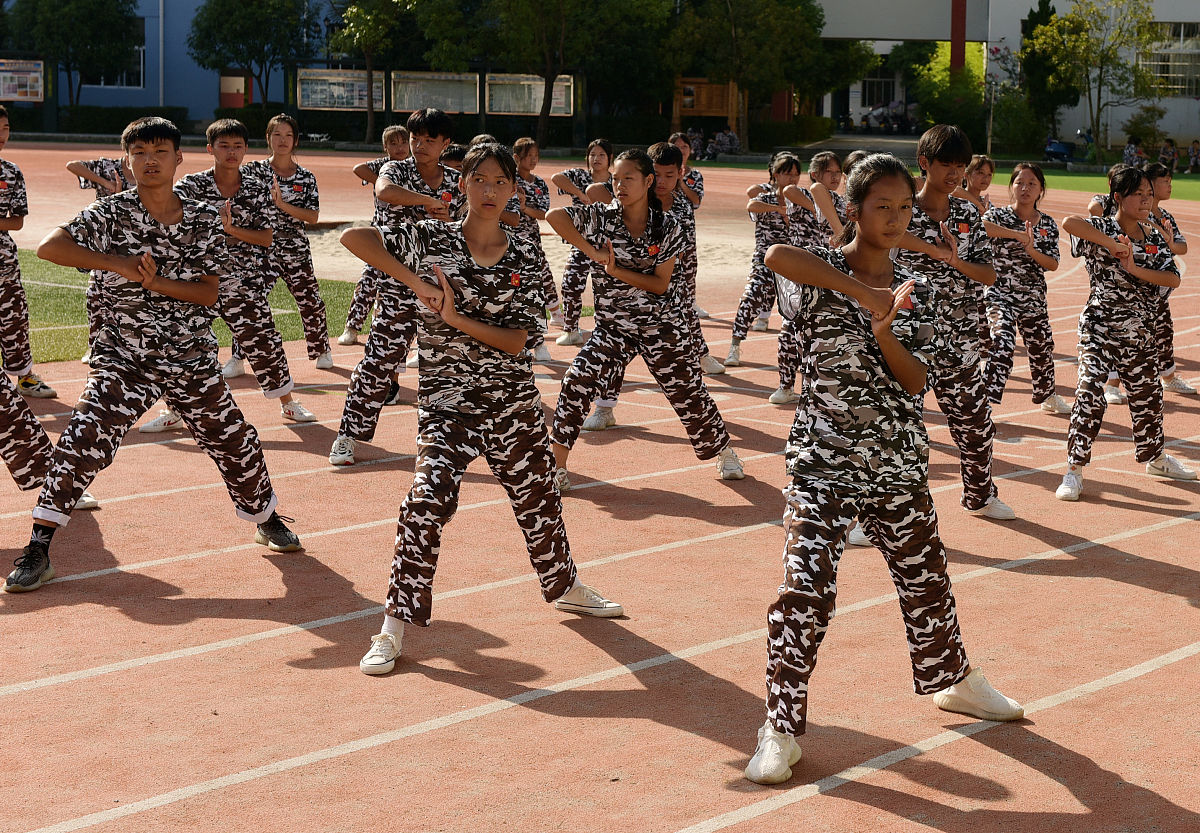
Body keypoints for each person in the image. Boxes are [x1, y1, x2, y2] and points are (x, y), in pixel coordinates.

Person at [746, 153, 1023, 785]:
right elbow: (775, 258)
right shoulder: (816, 276)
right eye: (882, 207)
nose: (897, 218)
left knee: (926, 580)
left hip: (895, 463)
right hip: (821, 462)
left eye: (905, 208)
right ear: (855, 209)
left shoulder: (914, 289)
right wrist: (860, 291)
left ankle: (954, 682)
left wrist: (885, 327)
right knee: (804, 591)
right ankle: (781, 727)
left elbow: (918, 378)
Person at [343, 143, 623, 675]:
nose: (489, 191)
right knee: (425, 504)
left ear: (514, 189)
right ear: (462, 184)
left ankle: (564, 586)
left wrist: (454, 316)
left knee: (539, 502)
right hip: (448, 406)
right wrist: (419, 285)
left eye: (500, 181)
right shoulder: (429, 237)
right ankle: (393, 625)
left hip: (512, 405)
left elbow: (518, 339)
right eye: (479, 180)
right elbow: (354, 238)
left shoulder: (525, 253)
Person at [6, 117, 300, 593]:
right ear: (127, 160)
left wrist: (157, 282)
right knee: (83, 437)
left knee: (233, 440)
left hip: (189, 357)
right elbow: (48, 246)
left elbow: (208, 294)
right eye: (139, 152)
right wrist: (116, 263)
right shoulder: (112, 213)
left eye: (159, 152)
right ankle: (39, 547)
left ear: (178, 158)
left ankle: (266, 518)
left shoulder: (203, 216)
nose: (149, 161)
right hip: (125, 355)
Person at [545, 149, 745, 490]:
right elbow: (554, 216)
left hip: (660, 326)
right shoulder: (602, 217)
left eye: (628, 178)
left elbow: (659, 283)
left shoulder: (667, 226)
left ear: (647, 181)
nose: (619, 185)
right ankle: (557, 467)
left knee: (689, 392)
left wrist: (616, 270)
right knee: (577, 381)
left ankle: (725, 451)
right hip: (614, 328)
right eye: (615, 179)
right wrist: (591, 251)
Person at [139, 118, 316, 430]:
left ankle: (288, 404)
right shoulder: (191, 186)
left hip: (242, 280)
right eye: (224, 145)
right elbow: (173, 220)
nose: (231, 152)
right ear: (210, 149)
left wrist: (231, 229)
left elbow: (266, 237)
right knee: (177, 341)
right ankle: (175, 408)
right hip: (196, 280)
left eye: (237, 146)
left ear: (246, 150)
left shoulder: (257, 189)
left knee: (264, 342)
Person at [328, 108, 465, 467]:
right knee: (378, 362)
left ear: (445, 144)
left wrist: (450, 216)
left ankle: (442, 443)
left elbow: (468, 224)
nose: (419, 145)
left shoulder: (457, 182)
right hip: (400, 284)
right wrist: (428, 201)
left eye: (428, 140)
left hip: (440, 289)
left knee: (444, 367)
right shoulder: (396, 168)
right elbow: (385, 191)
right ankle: (348, 435)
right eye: (415, 138)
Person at [894, 124, 1014, 521]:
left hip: (958, 339)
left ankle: (980, 496)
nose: (954, 174)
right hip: (906, 337)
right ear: (924, 163)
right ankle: (877, 513)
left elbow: (989, 274)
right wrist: (935, 250)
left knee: (976, 424)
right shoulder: (900, 206)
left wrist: (956, 259)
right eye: (946, 164)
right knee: (897, 430)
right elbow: (881, 238)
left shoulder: (966, 212)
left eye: (960, 166)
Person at [1056, 165, 1196, 501]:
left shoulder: (1152, 236)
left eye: (1149, 194)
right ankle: (1073, 470)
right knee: (1089, 390)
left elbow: (1173, 279)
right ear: (1118, 197)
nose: (1146, 200)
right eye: (1139, 194)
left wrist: (1136, 268)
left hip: (1140, 333)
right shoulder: (1103, 226)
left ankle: (1156, 459)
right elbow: (1069, 223)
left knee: (1148, 400)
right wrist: (1110, 244)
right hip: (1099, 327)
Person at [242, 114, 332, 370]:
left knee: (311, 302)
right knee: (251, 301)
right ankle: (239, 357)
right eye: (277, 135)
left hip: (296, 251)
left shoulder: (305, 177)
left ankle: (321, 350)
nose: (282, 140)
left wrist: (282, 204)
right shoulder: (252, 171)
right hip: (261, 251)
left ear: (295, 141)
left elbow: (312, 216)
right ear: (268, 138)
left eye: (288, 135)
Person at [980, 163, 1069, 412]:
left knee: (1041, 348)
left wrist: (1031, 249)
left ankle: (1047, 396)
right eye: (1020, 183)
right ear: (1012, 186)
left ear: (1041, 190)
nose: (1025, 188)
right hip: (999, 294)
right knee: (1002, 342)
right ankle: (986, 400)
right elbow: (981, 228)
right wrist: (1017, 235)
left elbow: (1052, 263)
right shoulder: (998, 216)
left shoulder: (1047, 224)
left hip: (1032, 297)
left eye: (1032, 184)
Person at [727, 154, 805, 369]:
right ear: (776, 175)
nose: (793, 179)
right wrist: (779, 209)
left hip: (791, 265)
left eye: (797, 175)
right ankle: (735, 345)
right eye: (788, 174)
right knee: (750, 297)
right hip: (764, 261)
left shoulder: (799, 202)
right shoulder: (767, 198)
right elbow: (752, 205)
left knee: (798, 310)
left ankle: (800, 356)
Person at [0, 106, 55, 399]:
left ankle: (24, 377)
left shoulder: (11, 172)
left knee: (14, 317)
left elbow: (17, 221)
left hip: (4, 262)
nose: (2, 135)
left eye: (6, 128)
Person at [339, 124, 411, 345]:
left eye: (402, 142)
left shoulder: (414, 168)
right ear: (385, 146)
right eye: (393, 143)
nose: (399, 147)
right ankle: (352, 327)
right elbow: (358, 168)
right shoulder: (383, 166)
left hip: (407, 236)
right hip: (379, 234)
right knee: (368, 281)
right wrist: (381, 182)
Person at [66, 150, 135, 365]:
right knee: (96, 296)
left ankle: (129, 346)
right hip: (105, 243)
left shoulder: (148, 173)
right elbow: (73, 164)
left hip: (134, 244)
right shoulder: (109, 166)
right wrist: (104, 182)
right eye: (136, 150)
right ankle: (95, 344)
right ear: (127, 151)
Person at [551, 139, 613, 346]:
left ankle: (605, 332)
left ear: (610, 159)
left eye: (601, 155)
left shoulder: (615, 182)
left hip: (606, 245)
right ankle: (571, 329)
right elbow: (556, 178)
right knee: (570, 283)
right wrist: (579, 193)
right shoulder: (580, 176)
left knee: (604, 289)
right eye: (592, 155)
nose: (596, 159)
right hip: (580, 242)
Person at [505, 137, 560, 362]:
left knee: (535, 289)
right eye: (529, 156)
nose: (533, 160)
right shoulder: (507, 180)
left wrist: (525, 206)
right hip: (508, 244)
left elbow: (543, 213)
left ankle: (539, 341)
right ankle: (517, 343)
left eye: (536, 156)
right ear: (516, 158)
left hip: (532, 245)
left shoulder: (538, 184)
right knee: (512, 293)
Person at [1144, 162, 1193, 395]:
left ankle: (1168, 377)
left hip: (1160, 290)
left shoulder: (1165, 216)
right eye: (1166, 181)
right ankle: (1112, 384)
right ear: (1151, 183)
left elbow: (1182, 246)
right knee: (1128, 334)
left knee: (1164, 331)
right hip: (1135, 288)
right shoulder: (1137, 212)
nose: (1170, 186)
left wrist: (1171, 243)